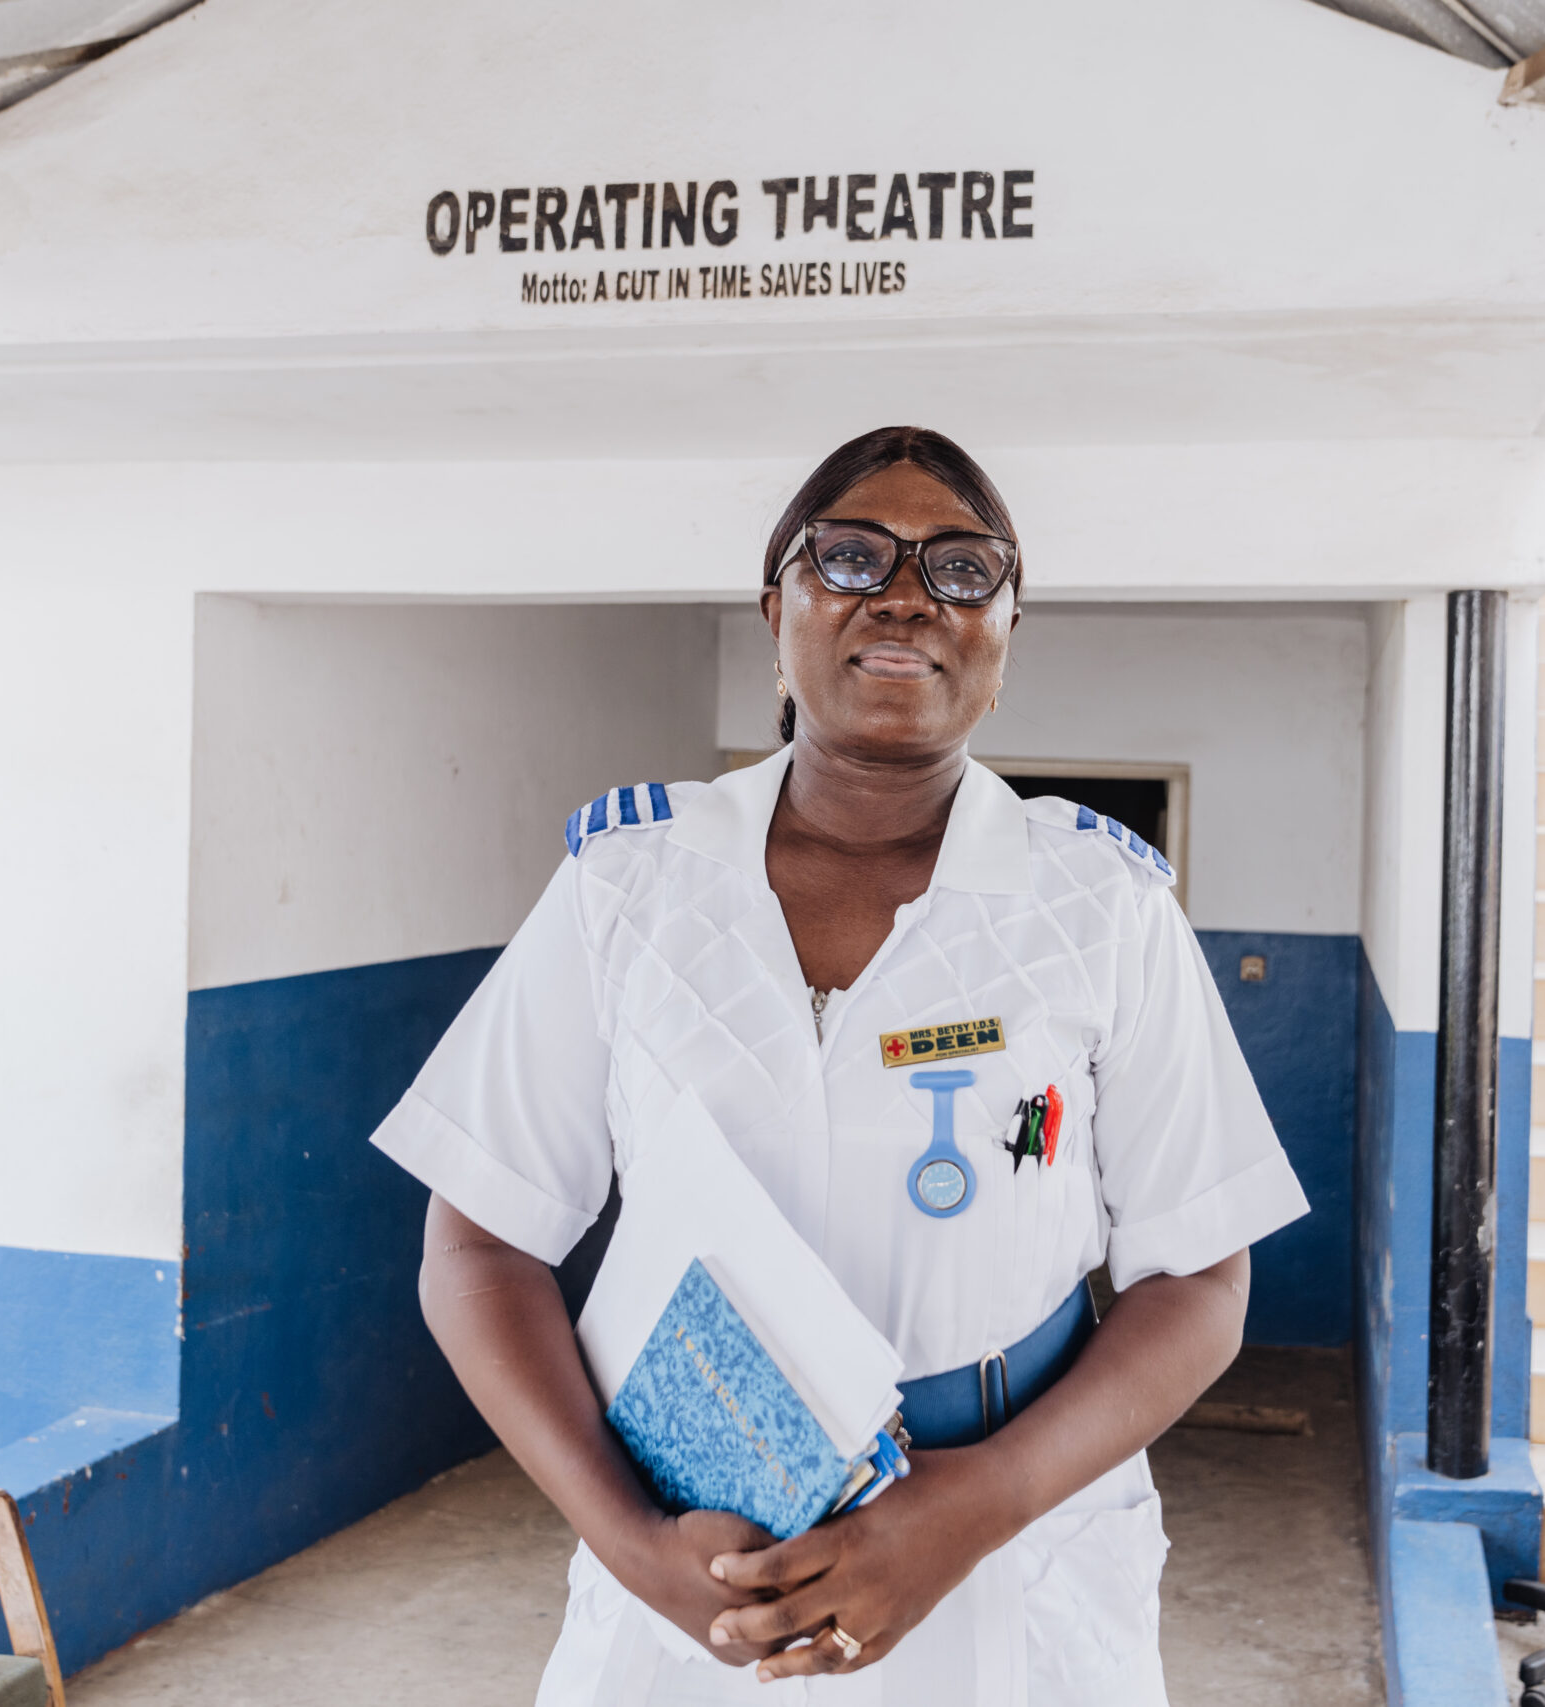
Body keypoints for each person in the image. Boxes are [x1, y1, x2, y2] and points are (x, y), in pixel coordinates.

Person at [375, 426, 1308, 1704]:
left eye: (962, 569)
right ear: (778, 614)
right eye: (852, 557)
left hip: (1014, 1553)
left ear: (1006, 636)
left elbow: (1199, 1274)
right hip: (701, 1551)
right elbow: (479, 1246)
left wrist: (972, 1507)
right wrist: (637, 1550)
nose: (907, 596)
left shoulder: (1099, 906)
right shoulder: (629, 886)